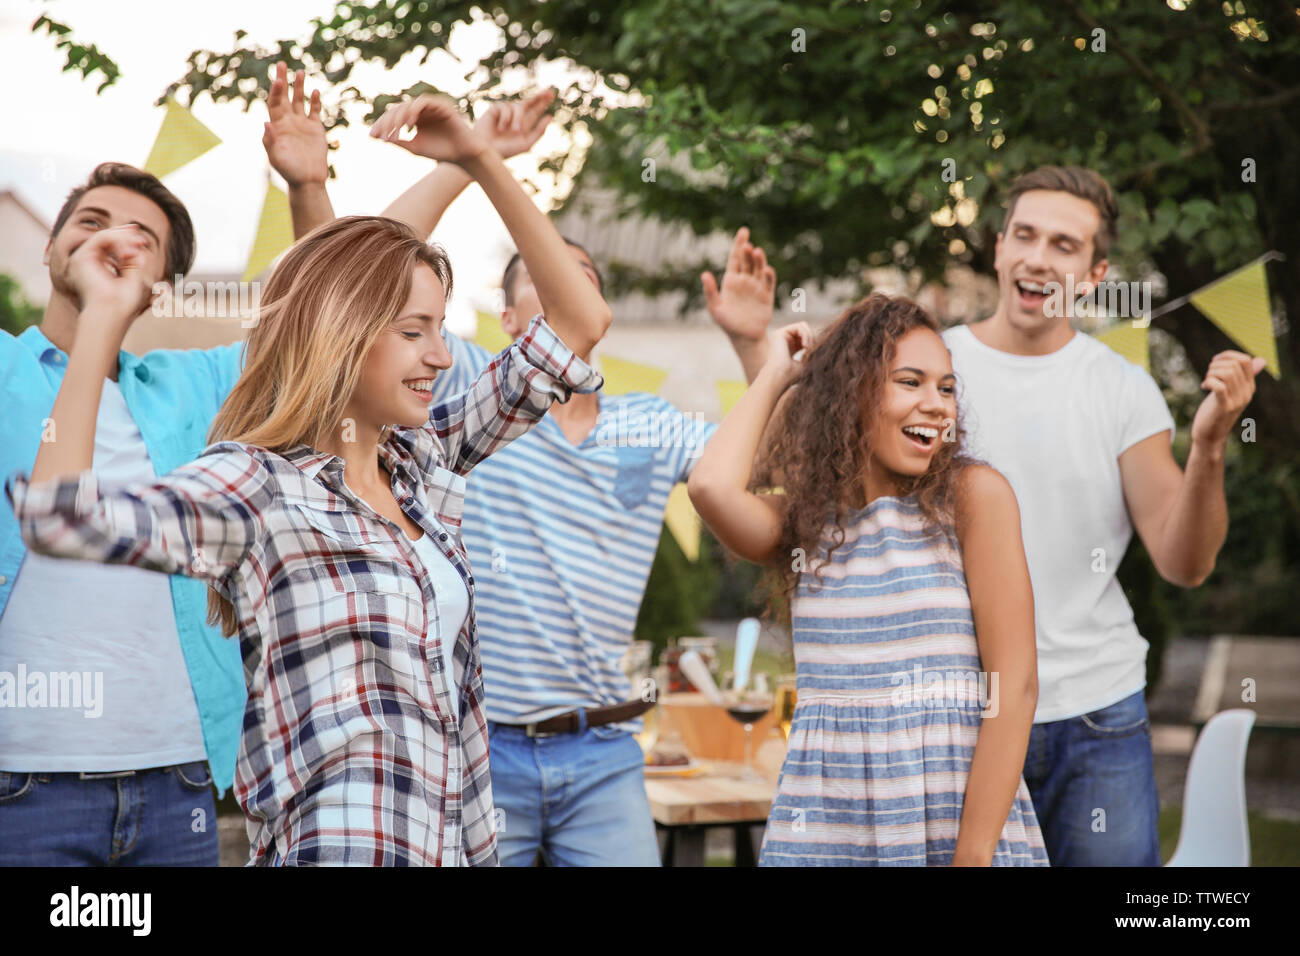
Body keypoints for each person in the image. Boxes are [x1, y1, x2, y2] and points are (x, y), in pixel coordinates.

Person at [7, 91, 610, 866]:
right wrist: (101, 314)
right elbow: (60, 517)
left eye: (440, 328)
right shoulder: (258, 488)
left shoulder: (421, 466)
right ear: (345, 336)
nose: (440, 355)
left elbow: (578, 327)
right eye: (413, 332)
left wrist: (480, 159)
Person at [271, 85, 776, 865]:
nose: (560, 277)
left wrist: (754, 347)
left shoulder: (646, 424)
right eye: (538, 277)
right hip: (482, 747)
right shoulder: (466, 386)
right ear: (507, 323)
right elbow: (350, 297)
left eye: (578, 274)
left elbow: (761, 458)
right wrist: (465, 164)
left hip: (602, 748)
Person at [941, 165, 1266, 866]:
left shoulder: (1123, 389)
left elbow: (1184, 564)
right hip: (959, 714)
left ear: (1093, 272)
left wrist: (1208, 446)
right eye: (1024, 235)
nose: (1037, 256)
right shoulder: (933, 370)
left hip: (1096, 715)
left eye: (1063, 244)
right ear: (998, 248)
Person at [689, 294, 1049, 866]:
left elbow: (1016, 688)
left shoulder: (972, 499)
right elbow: (710, 487)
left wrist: (974, 856)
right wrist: (779, 375)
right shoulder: (806, 525)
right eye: (910, 382)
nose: (937, 405)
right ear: (853, 395)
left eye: (947, 388)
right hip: (825, 830)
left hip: (951, 822)